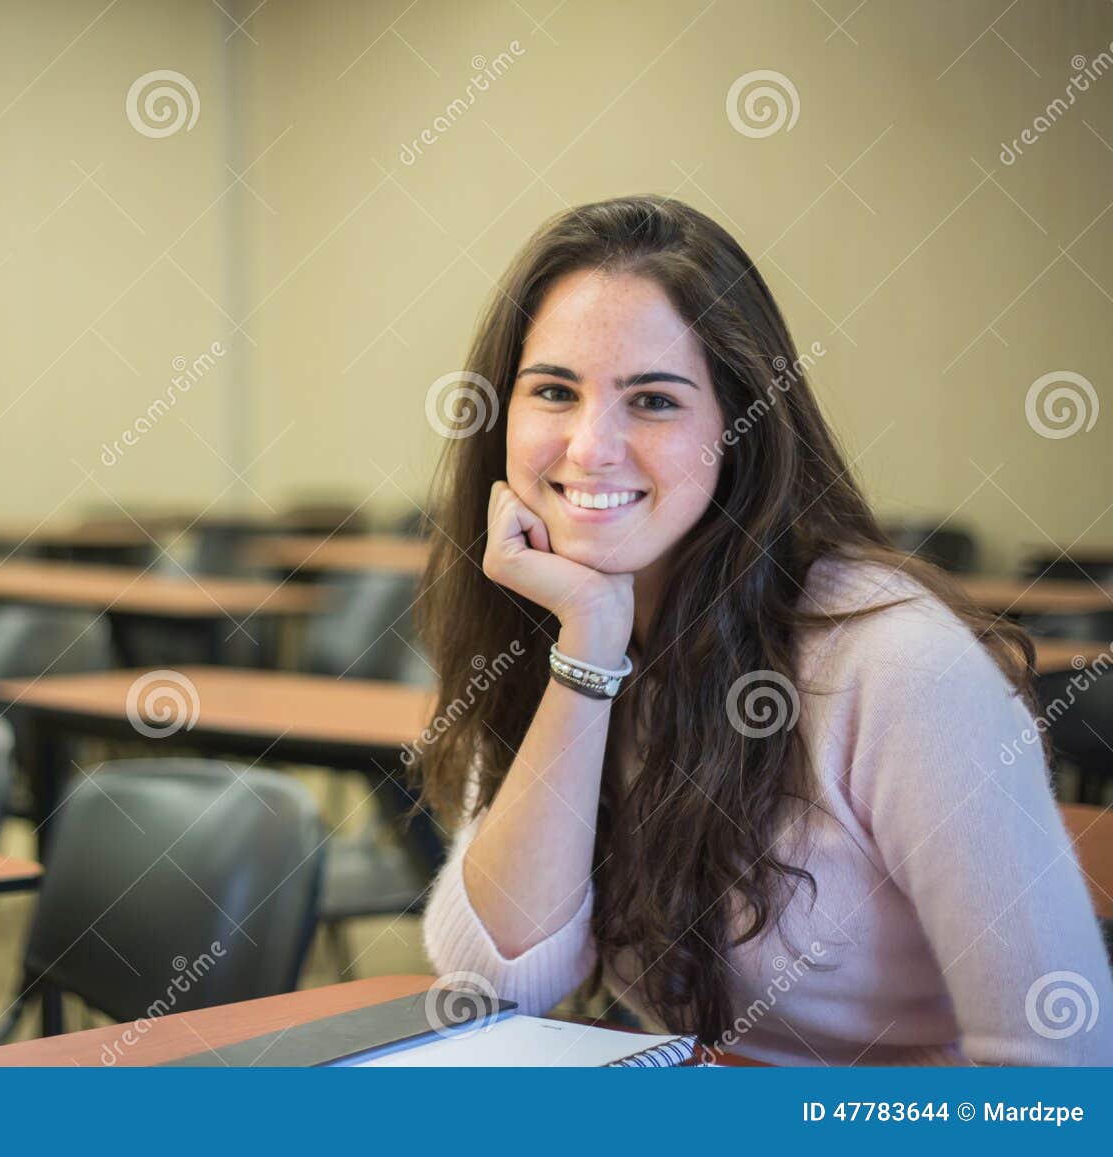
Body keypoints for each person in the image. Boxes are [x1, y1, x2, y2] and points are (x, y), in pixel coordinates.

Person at [415, 195, 1113, 1065]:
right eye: (554, 390)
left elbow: (1061, 1076)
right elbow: (501, 975)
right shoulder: (558, 621)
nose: (591, 446)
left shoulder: (900, 666)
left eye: (655, 400)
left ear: (737, 427)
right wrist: (587, 648)